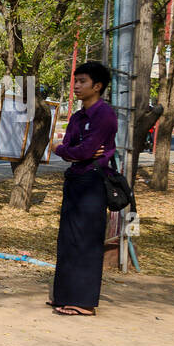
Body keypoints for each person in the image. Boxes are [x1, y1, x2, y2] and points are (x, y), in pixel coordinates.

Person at [50, 60, 117, 316]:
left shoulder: (105, 114)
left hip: (93, 182)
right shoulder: (77, 116)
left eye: (82, 82)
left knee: (87, 240)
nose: (76, 86)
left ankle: (84, 302)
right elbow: (70, 149)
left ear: (97, 86)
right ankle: (63, 296)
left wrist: (70, 151)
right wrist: (69, 151)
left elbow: (85, 151)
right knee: (68, 239)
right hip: (74, 180)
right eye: (75, 81)